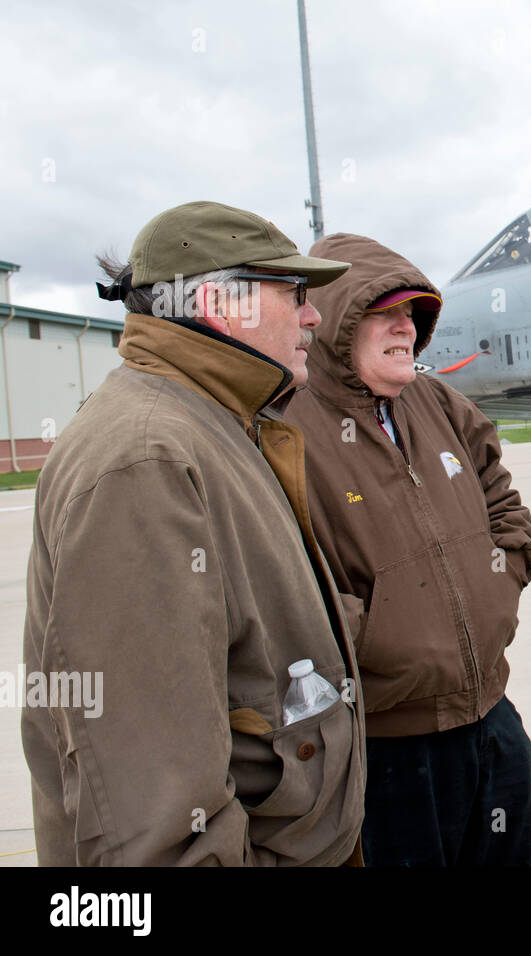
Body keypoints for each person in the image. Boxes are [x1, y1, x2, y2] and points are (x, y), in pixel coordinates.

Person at [22, 201, 367, 865]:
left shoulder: (217, 422)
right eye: (294, 294)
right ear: (217, 301)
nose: (314, 316)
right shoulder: (146, 459)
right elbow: (151, 810)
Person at [283, 232, 531, 867]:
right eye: (388, 314)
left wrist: (503, 573)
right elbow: (284, 581)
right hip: (391, 751)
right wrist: (377, 641)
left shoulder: (434, 400)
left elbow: (500, 494)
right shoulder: (286, 428)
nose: (408, 328)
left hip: (493, 722)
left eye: (415, 314)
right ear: (340, 324)